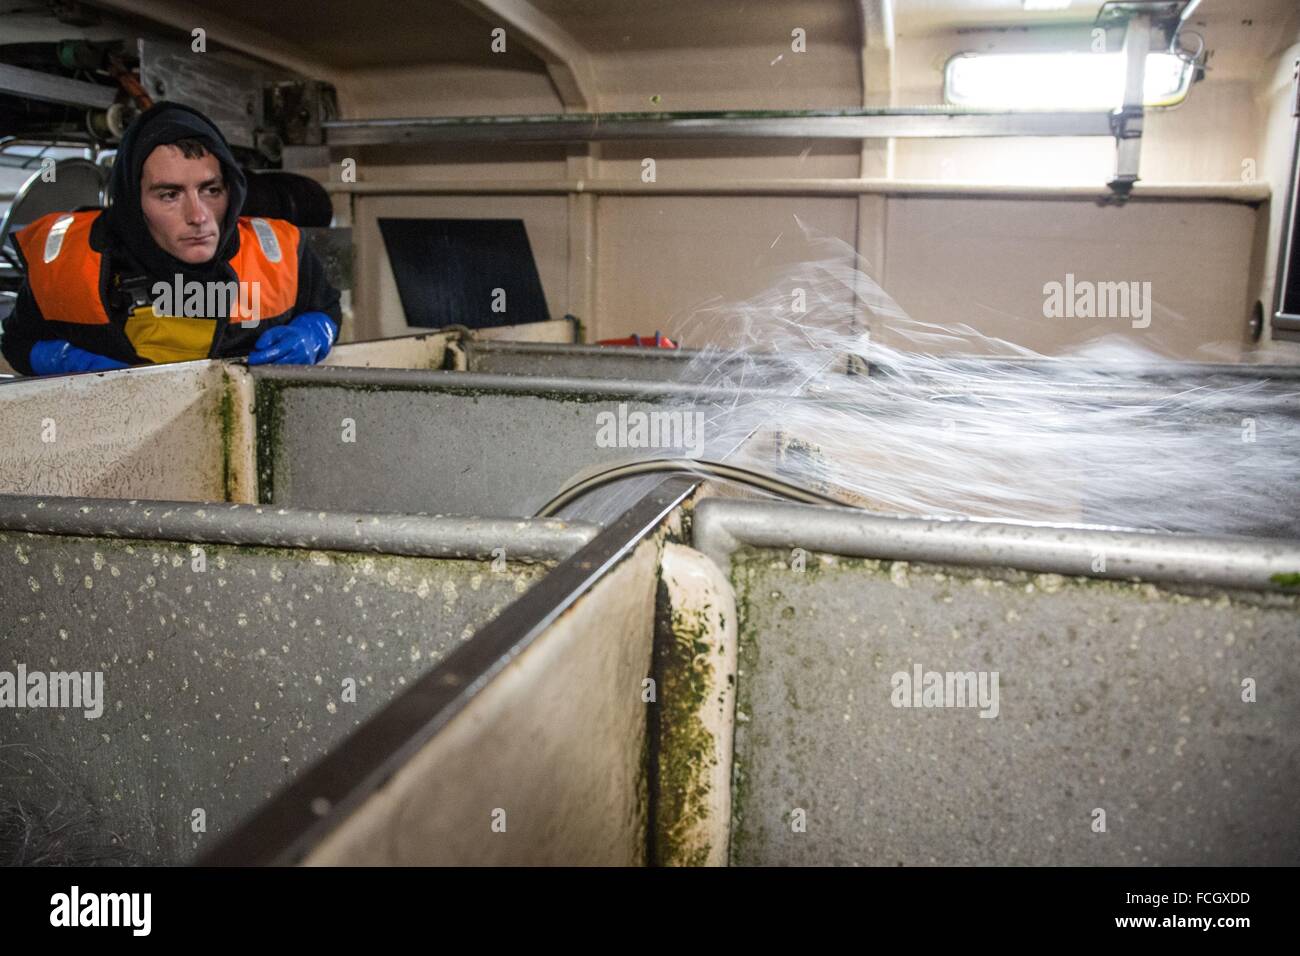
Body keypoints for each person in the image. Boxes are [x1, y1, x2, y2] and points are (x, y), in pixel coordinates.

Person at [0, 101, 340, 375]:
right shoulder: (71, 261)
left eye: (211, 190)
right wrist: (63, 359)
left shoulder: (278, 252)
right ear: (134, 203)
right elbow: (18, 342)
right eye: (169, 195)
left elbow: (325, 308)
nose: (198, 216)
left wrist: (314, 334)